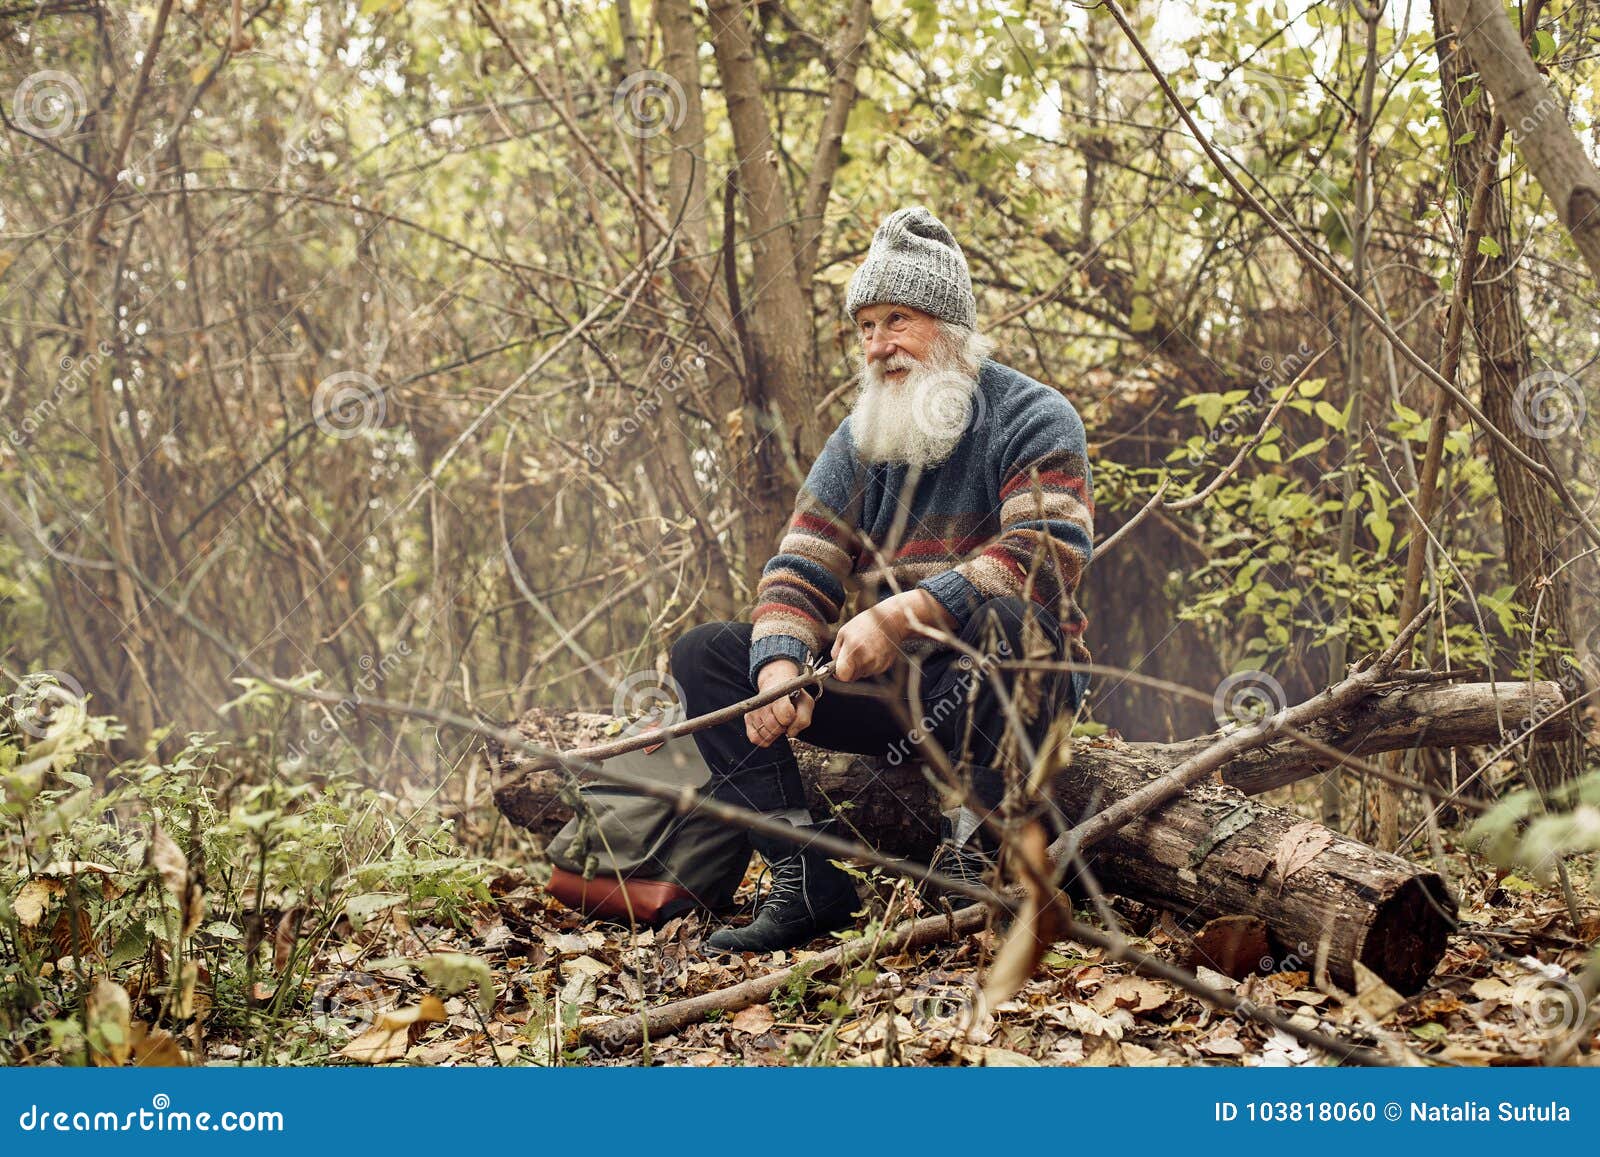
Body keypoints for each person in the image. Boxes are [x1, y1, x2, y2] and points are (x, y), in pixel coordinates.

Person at [671, 205, 1095, 953]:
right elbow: (801, 562)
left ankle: (973, 853)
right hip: (895, 691)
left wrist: (901, 617)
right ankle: (805, 876)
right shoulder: (860, 436)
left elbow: (1043, 557)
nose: (877, 344)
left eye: (897, 319)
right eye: (865, 325)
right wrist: (779, 664)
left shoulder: (1034, 414)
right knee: (707, 652)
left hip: (1003, 684)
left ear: (948, 326)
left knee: (1010, 621)